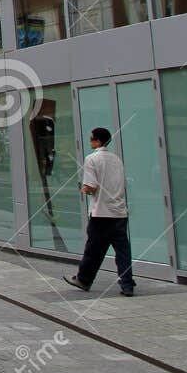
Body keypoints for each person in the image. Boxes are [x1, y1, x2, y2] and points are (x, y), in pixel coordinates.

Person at [64, 126, 135, 297]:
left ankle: (83, 279)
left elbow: (91, 187)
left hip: (101, 213)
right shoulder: (117, 159)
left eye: (91, 139)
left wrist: (83, 189)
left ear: (97, 141)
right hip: (119, 212)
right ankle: (127, 285)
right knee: (122, 250)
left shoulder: (91, 159)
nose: (90, 142)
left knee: (93, 249)